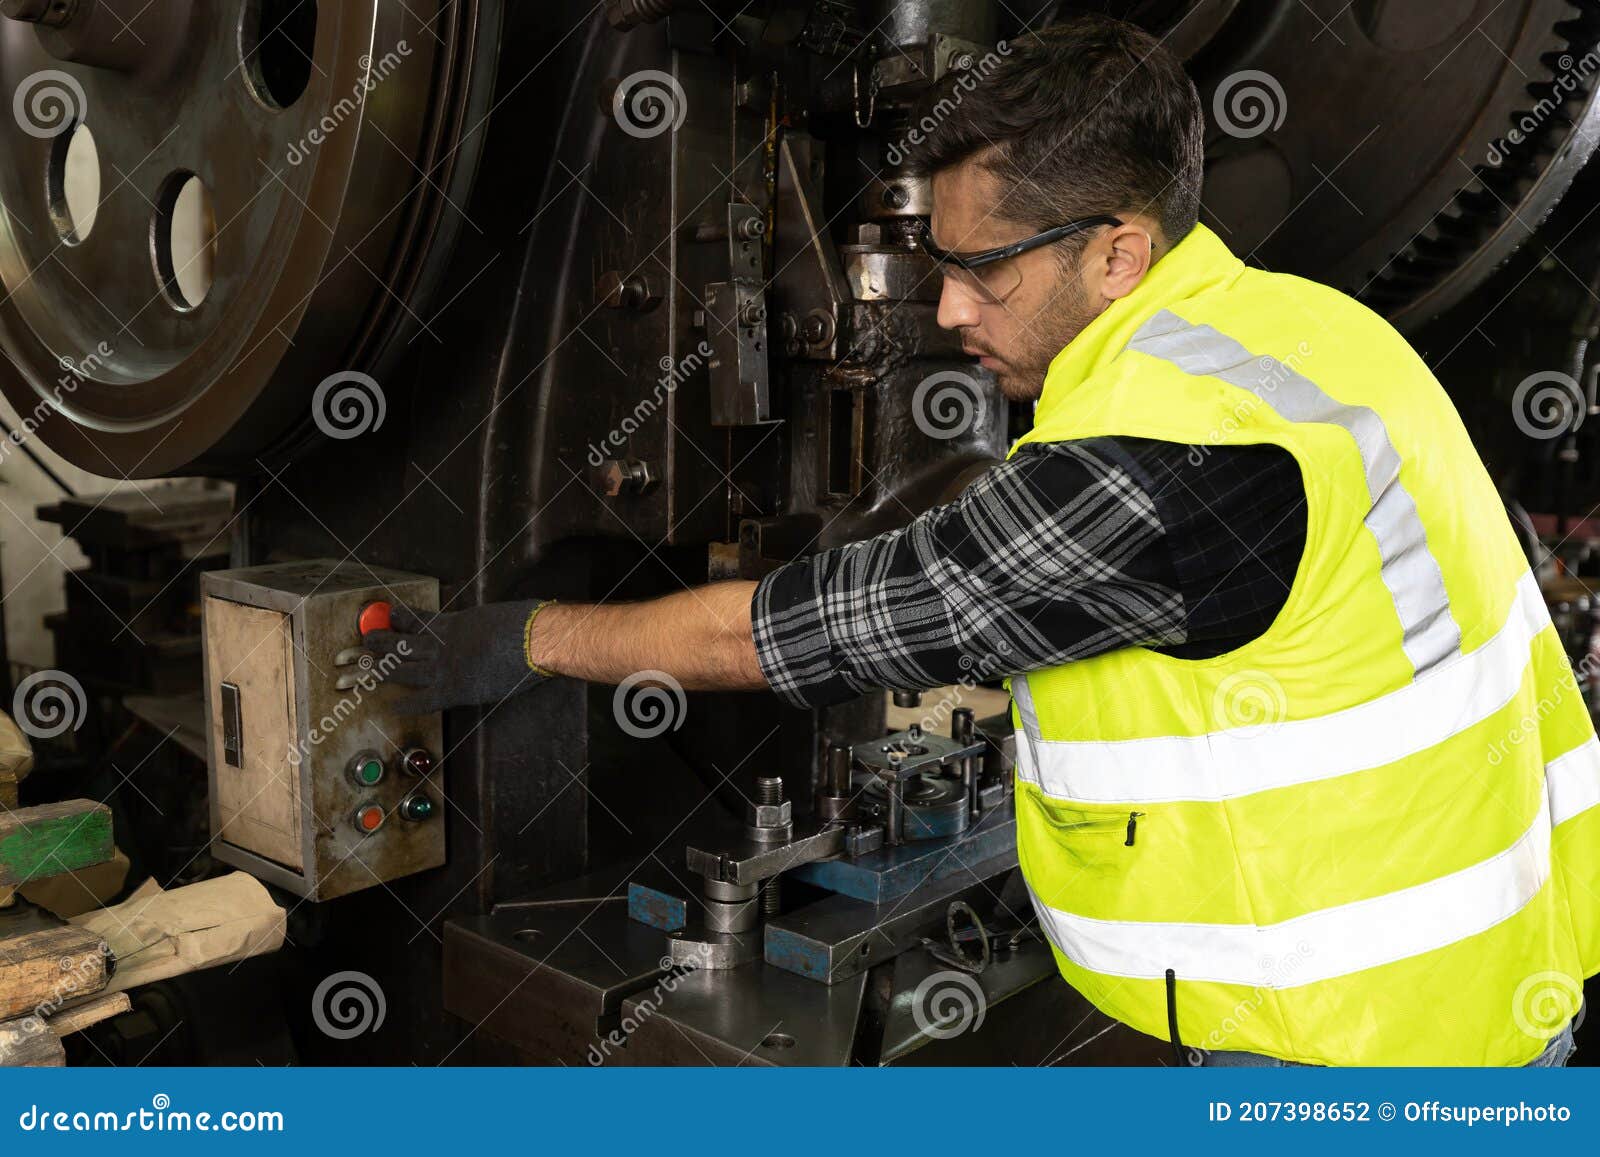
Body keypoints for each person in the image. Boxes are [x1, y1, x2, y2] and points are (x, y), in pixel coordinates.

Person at [363, 15, 1594, 1066]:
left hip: (1358, 1041)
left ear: (1117, 253)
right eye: (935, 262)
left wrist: (529, 636)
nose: (948, 307)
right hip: (1491, 978)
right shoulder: (1302, 332)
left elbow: (793, 633)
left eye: (982, 270)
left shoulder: (1163, 456)